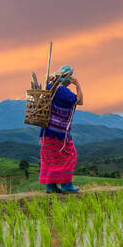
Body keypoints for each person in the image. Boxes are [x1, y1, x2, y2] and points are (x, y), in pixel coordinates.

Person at [39, 64, 83, 193]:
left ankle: (50, 186)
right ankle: (66, 185)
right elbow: (79, 100)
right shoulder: (62, 90)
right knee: (69, 154)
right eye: (71, 77)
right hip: (59, 133)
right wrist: (78, 85)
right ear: (67, 78)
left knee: (51, 157)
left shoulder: (50, 87)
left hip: (47, 131)